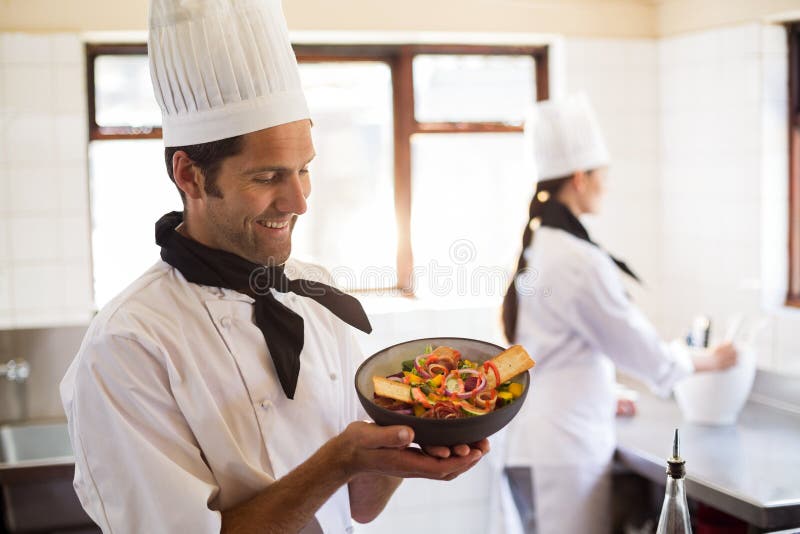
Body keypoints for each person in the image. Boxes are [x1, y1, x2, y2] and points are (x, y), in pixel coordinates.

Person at [59, 1, 488, 532]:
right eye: (266, 177)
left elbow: (360, 505)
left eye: (304, 169)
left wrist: (421, 433)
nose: (299, 201)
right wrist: (338, 461)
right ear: (190, 176)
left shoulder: (317, 293)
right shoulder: (129, 344)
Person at [500, 94, 736, 534]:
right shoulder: (578, 260)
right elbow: (647, 355)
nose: (606, 186)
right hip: (563, 451)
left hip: (532, 440)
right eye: (602, 176)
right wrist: (711, 359)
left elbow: (551, 349)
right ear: (580, 179)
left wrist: (603, 394)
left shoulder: (542, 245)